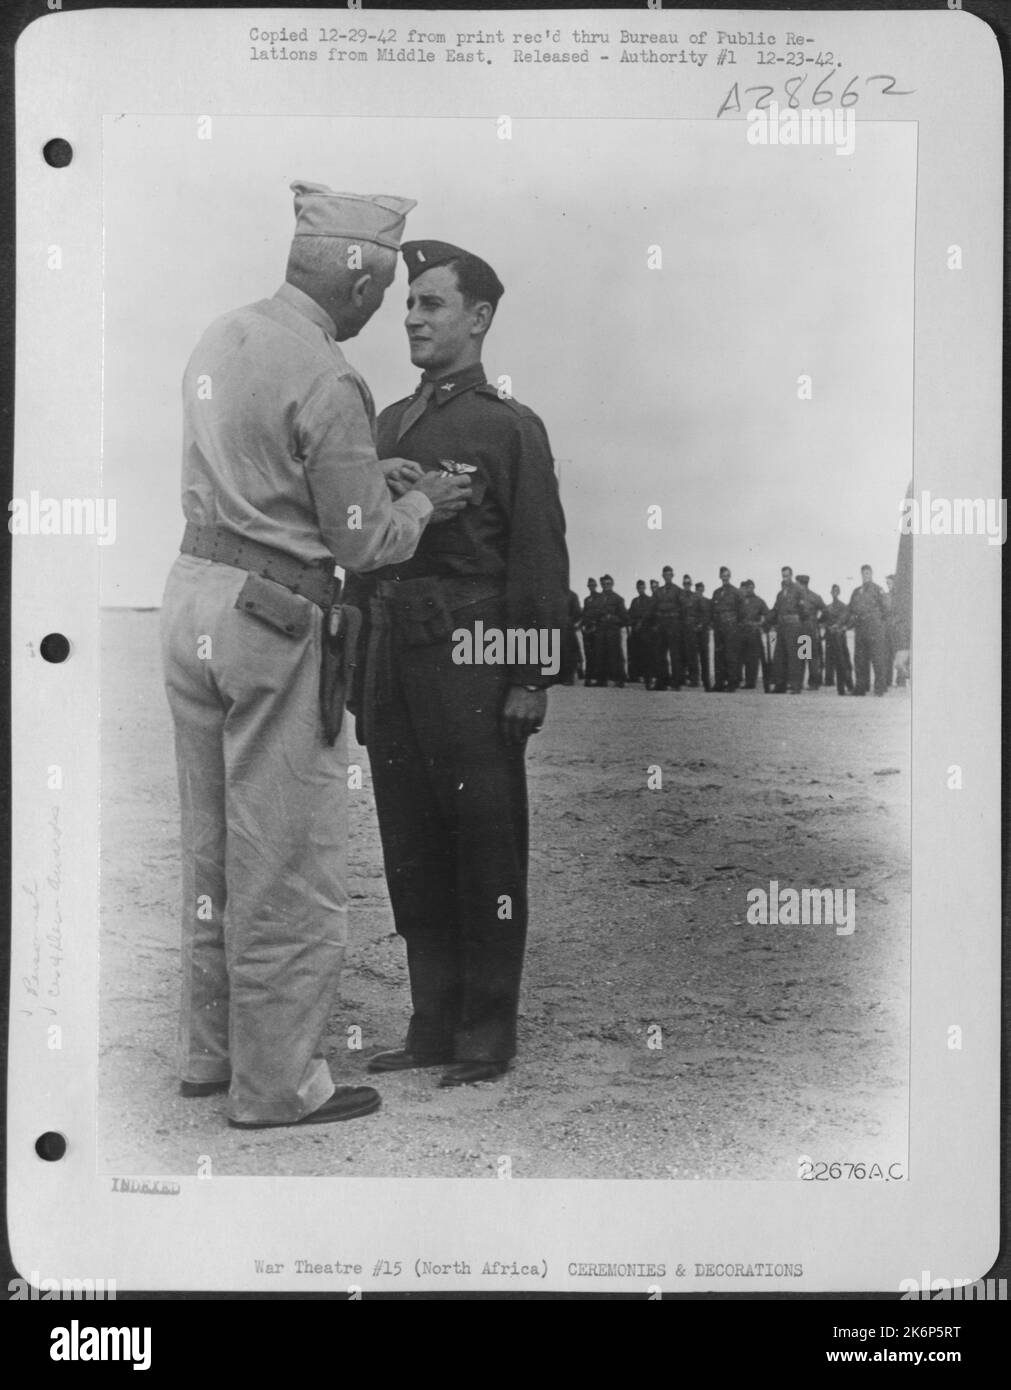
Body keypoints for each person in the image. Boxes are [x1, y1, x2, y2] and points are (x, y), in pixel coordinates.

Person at [160, 182, 472, 1128]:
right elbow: (362, 545)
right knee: (285, 864)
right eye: (379, 290)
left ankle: (210, 1058)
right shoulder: (333, 378)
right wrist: (417, 505)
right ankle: (278, 1088)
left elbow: (256, 471)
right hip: (273, 622)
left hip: (192, 601)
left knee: (209, 850)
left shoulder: (225, 334)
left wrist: (363, 475)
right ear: (356, 275)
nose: (380, 308)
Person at [346, 238, 570, 1086]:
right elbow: (360, 548)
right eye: (409, 303)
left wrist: (529, 676)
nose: (411, 316)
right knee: (409, 847)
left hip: (474, 665)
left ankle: (484, 1032)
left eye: (430, 303)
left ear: (477, 319)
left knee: (483, 847)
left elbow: (539, 560)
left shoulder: (509, 426)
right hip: (391, 667)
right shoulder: (385, 426)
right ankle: (430, 1022)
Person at [847, 564, 889, 696]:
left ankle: (880, 688)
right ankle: (861, 687)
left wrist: (877, 623)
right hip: (860, 628)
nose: (866, 576)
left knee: (877, 658)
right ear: (861, 575)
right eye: (864, 573)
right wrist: (841, 624)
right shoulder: (856, 591)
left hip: (874, 629)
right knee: (860, 659)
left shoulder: (878, 590)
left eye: (868, 573)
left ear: (871, 574)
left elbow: (886, 609)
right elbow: (849, 609)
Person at [768, 565, 805, 694]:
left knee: (794, 656)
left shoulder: (798, 589)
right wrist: (766, 620)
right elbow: (775, 609)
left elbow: (804, 610)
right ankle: (780, 685)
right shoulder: (780, 593)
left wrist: (797, 621)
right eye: (783, 576)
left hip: (793, 626)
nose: (785, 578)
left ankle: (795, 685)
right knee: (779, 656)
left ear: (792, 575)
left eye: (787, 576)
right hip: (782, 626)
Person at [650, 565, 685, 691]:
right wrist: (655, 624)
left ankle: (676, 682)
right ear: (663, 576)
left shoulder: (678, 591)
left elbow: (683, 610)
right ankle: (662, 682)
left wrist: (679, 626)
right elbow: (653, 609)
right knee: (660, 654)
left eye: (670, 575)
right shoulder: (658, 592)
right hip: (661, 625)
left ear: (672, 576)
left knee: (675, 654)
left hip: (673, 625)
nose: (667, 577)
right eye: (665, 575)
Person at [710, 565, 744, 691]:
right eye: (723, 576)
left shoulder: (736, 592)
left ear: (730, 576)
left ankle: (732, 683)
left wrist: (735, 624)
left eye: (727, 576)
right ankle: (719, 683)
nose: (725, 578)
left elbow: (742, 611)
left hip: (731, 626)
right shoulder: (716, 593)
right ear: (720, 577)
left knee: (731, 655)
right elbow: (712, 610)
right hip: (718, 627)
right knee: (718, 655)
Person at [592, 574, 628, 686]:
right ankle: (601, 680)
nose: (606, 586)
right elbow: (593, 614)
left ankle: (619, 679)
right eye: (603, 584)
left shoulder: (618, 599)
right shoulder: (597, 599)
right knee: (600, 654)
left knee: (615, 655)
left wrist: (613, 618)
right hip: (601, 630)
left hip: (613, 630)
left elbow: (625, 618)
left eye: (608, 583)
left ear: (612, 584)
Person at [821, 584, 853, 695]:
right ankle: (830, 681)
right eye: (833, 591)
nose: (834, 593)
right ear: (830, 592)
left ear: (839, 592)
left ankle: (848, 685)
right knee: (829, 661)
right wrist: (827, 627)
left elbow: (848, 621)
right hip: (830, 637)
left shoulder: (844, 606)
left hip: (840, 637)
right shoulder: (827, 607)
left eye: (836, 591)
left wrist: (842, 628)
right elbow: (822, 620)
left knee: (843, 662)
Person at [738, 579, 770, 690]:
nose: (749, 589)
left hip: (753, 633)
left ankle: (750, 683)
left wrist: (760, 624)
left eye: (751, 587)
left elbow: (768, 615)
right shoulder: (739, 601)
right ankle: (738, 680)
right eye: (747, 587)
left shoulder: (759, 601)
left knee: (752, 659)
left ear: (753, 587)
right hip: (740, 632)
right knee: (739, 658)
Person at [795, 574, 825, 691]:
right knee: (812, 656)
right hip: (812, 628)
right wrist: (818, 621)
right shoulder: (816, 596)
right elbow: (825, 611)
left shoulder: (799, 597)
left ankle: (801, 682)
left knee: (804, 656)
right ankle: (814, 683)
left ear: (801, 584)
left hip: (803, 627)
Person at [627, 579, 652, 684]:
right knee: (634, 654)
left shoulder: (649, 600)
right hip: (635, 631)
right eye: (638, 587)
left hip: (645, 631)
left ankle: (647, 676)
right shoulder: (634, 601)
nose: (640, 589)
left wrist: (641, 623)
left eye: (642, 587)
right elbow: (630, 614)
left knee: (645, 655)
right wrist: (633, 623)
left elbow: (649, 615)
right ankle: (634, 676)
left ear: (645, 588)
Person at [581, 577, 602, 687]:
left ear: (596, 586)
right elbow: (584, 614)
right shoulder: (586, 599)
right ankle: (588, 678)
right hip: (588, 630)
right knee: (588, 654)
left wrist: (596, 625)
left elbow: (601, 613)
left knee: (598, 654)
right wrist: (583, 626)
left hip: (597, 629)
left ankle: (598, 678)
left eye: (593, 585)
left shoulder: (600, 598)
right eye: (590, 585)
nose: (591, 587)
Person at [680, 574, 700, 686]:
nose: (686, 585)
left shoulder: (695, 597)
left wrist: (698, 626)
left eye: (688, 583)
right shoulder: (680, 596)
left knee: (692, 655)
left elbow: (701, 612)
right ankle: (682, 677)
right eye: (685, 583)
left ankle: (694, 679)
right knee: (682, 654)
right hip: (682, 628)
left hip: (692, 628)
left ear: (691, 584)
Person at [692, 581, 712, 690]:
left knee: (705, 657)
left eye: (701, 589)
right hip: (694, 632)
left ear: (703, 590)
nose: (699, 591)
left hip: (703, 633)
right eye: (697, 589)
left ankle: (706, 681)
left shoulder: (707, 601)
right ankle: (695, 680)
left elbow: (708, 616)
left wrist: (702, 624)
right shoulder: (692, 602)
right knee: (694, 657)